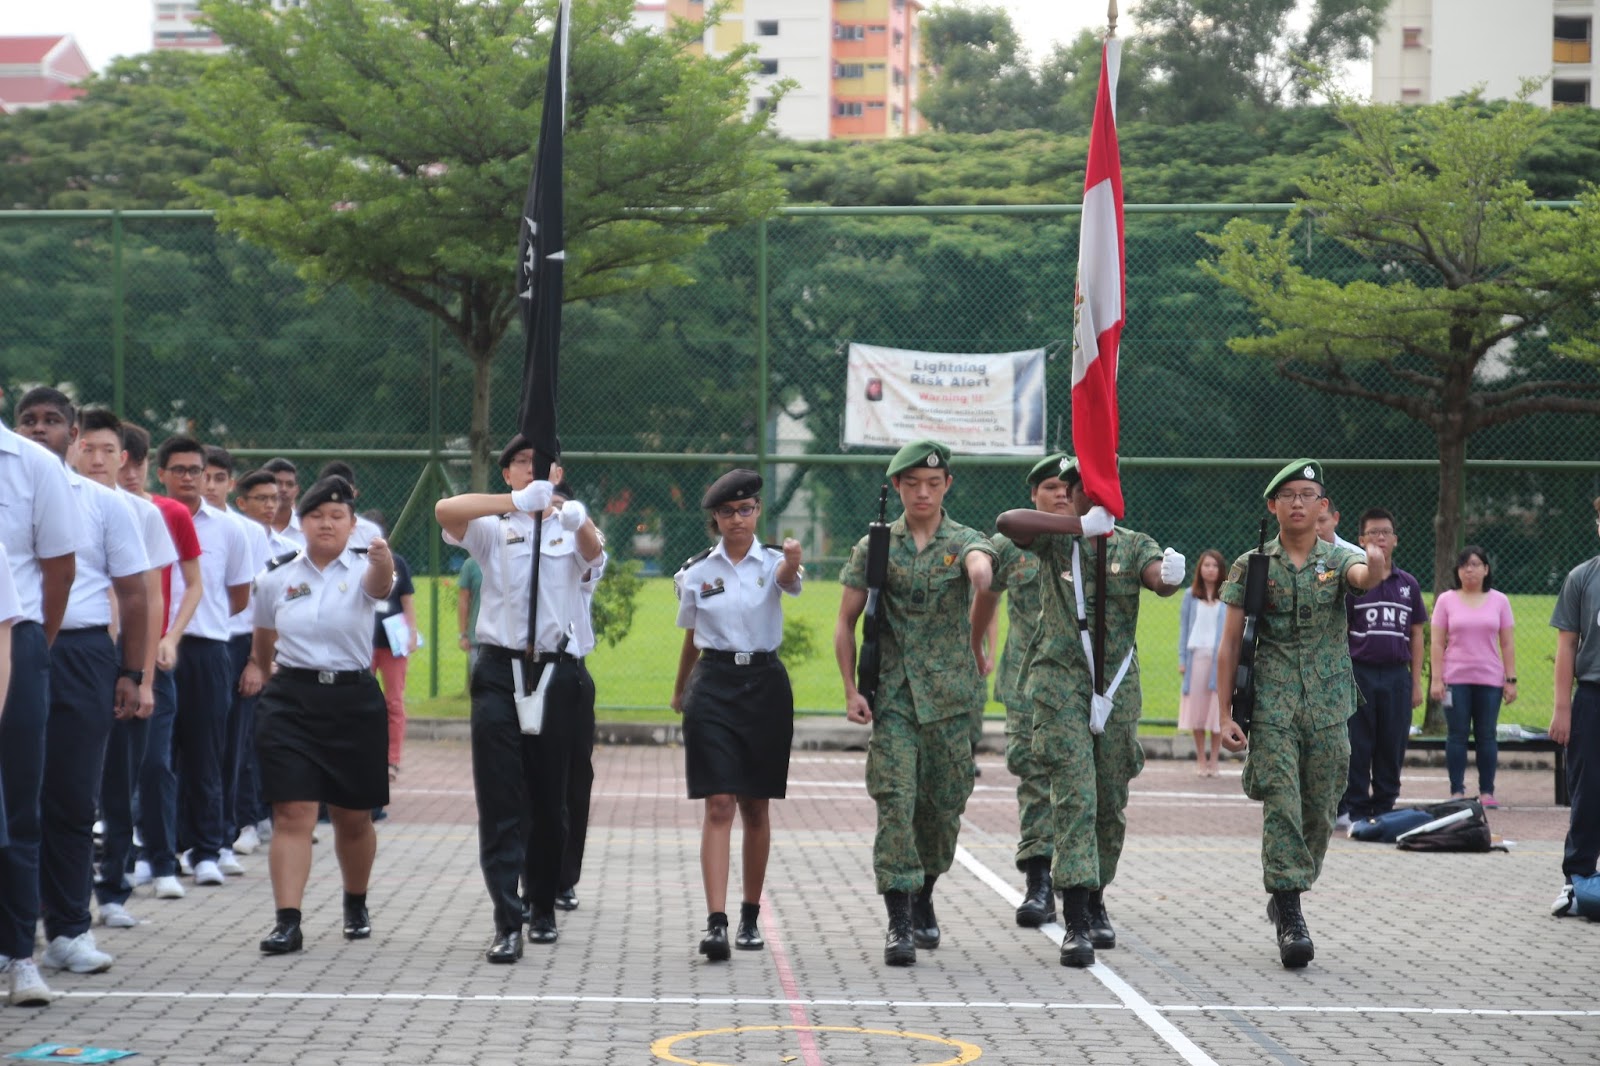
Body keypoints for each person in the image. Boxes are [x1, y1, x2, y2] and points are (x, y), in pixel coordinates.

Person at [989, 455, 1185, 967]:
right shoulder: (1059, 539)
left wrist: (1170, 576)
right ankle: (1075, 919)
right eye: (1080, 489)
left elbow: (1156, 580)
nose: (1089, 495)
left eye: (1098, 487)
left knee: (1108, 799)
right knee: (1074, 794)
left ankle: (1096, 895)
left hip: (1117, 686)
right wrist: (1077, 524)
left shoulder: (1131, 542)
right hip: (1060, 682)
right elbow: (1008, 524)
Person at [435, 436, 605, 963]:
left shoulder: (570, 524)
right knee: (500, 797)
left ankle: (544, 904)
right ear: (507, 471)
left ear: (556, 471)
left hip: (555, 672)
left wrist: (574, 518)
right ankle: (507, 919)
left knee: (550, 798)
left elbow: (596, 558)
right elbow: (447, 509)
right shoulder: (495, 526)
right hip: (498, 670)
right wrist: (515, 503)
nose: (531, 470)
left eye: (541, 462)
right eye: (520, 462)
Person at [1215, 459, 1389, 970]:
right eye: (1287, 494)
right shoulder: (1252, 565)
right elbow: (1229, 645)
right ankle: (1290, 910)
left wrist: (1375, 562)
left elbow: (1364, 575)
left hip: (1330, 705)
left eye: (1307, 494)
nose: (1297, 502)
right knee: (1283, 802)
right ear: (1273, 506)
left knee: (1321, 805)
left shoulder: (1339, 561)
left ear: (1323, 508)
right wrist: (1226, 712)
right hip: (1271, 705)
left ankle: (1291, 885)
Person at [834, 439, 996, 967]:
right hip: (897, 698)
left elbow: (981, 565)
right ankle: (900, 919)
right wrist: (851, 689)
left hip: (951, 701)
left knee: (942, 810)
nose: (922, 492)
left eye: (932, 483)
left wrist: (979, 575)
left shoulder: (964, 539)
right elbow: (845, 621)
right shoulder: (875, 546)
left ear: (947, 485)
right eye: (911, 484)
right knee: (896, 802)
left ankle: (925, 891)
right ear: (897, 487)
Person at [15, 389, 150, 978]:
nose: (40, 429)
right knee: (12, 798)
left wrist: (133, 672)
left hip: (81, 651)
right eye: (29, 420)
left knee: (70, 794)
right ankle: (13, 933)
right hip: (13, 646)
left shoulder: (102, 504)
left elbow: (136, 595)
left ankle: (69, 927)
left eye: (52, 421)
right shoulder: (9, 487)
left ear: (73, 435)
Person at [250, 476, 396, 954]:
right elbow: (264, 639)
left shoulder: (365, 567)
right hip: (292, 698)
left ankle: (356, 901)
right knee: (292, 811)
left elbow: (380, 586)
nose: (327, 524)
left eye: (337, 517)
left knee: (353, 817)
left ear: (353, 524)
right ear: (301, 522)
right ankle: (287, 920)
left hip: (352, 700)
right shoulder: (278, 574)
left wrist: (382, 560)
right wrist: (271, 677)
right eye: (317, 516)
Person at [670, 470, 803, 961]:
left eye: (746, 509)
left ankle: (750, 912)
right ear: (715, 518)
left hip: (765, 686)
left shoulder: (774, 562)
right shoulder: (697, 573)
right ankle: (716, 922)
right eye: (728, 512)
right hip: (714, 685)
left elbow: (788, 582)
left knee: (755, 805)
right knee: (718, 802)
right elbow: (691, 634)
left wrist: (792, 561)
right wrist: (680, 689)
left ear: (757, 512)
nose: (737, 519)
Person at [75, 408, 173, 929]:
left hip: (124, 657)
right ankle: (58, 897)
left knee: (120, 780)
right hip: (74, 650)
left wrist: (145, 676)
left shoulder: (140, 513)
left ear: (125, 458)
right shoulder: (61, 501)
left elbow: (151, 599)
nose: (96, 459)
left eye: (108, 450)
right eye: (87, 447)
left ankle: (113, 889)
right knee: (68, 783)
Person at [0, 383, 77, 1008]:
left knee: (19, 802)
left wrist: (35, 644)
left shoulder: (34, 465)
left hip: (14, 637)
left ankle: (19, 954)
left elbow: (59, 567)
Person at [155, 435, 255, 889]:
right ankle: (161, 849)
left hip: (209, 647)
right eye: (180, 470)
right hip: (154, 648)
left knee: (206, 751)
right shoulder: (148, 517)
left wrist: (201, 621)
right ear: (163, 474)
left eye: (196, 471)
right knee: (158, 757)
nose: (190, 478)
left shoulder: (229, 528)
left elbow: (238, 594)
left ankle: (208, 849)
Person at [118, 423, 204, 903]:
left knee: (155, 763)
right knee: (110, 770)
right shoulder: (87, 507)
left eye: (136, 461)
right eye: (119, 460)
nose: (128, 471)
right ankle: (118, 863)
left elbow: (193, 584)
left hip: (154, 655)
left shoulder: (167, 513)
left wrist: (171, 636)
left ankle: (162, 857)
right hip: (99, 651)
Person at [987, 453, 1073, 928]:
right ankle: (1039, 881)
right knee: (1035, 780)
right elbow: (987, 594)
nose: (1061, 493)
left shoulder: (1094, 537)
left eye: (1067, 487)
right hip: (1027, 684)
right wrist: (979, 645)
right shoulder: (1010, 544)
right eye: (1051, 487)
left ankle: (1083, 882)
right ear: (1034, 496)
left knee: (1083, 784)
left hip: (1082, 684)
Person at [203, 445, 272, 878]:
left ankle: (225, 832)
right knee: (189, 747)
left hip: (235, 643)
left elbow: (261, 603)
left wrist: (255, 662)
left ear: (231, 484)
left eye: (217, 478)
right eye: (201, 476)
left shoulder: (246, 531)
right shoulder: (169, 519)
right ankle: (181, 841)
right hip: (190, 643)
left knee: (230, 745)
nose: (208, 485)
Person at [1339, 508, 1425, 829]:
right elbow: (1342, 630)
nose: (1380, 538)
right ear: (1361, 540)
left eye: (1385, 532)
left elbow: (1416, 634)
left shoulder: (1409, 585)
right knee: (1358, 744)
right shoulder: (1354, 582)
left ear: (1395, 540)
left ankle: (1385, 807)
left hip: (1395, 675)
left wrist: (1415, 682)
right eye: (1373, 533)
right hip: (1359, 673)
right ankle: (1357, 810)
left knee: (1392, 743)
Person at [230, 468, 298, 855]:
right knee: (240, 739)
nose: (271, 505)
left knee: (271, 739)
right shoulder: (238, 538)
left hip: (284, 654)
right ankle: (245, 819)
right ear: (242, 503)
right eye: (262, 499)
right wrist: (256, 660)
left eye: (275, 499)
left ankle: (266, 813)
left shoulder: (289, 549)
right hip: (248, 648)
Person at [1429, 545, 1516, 806]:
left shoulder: (1500, 601)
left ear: (1486, 569)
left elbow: (1508, 643)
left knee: (1486, 735)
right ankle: (1457, 790)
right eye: (1465, 565)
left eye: (1476, 564)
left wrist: (1510, 680)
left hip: (1490, 679)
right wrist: (1436, 678)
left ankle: (1487, 792)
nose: (1470, 569)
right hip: (1455, 679)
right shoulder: (1446, 600)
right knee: (1456, 735)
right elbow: (1436, 642)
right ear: (1458, 571)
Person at [1548, 497, 1600, 920]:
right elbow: (1566, 647)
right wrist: (1562, 708)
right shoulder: (1583, 578)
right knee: (1588, 792)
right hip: (1593, 698)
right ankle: (1577, 880)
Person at [366, 513, 418, 788]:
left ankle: (392, 760)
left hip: (392, 644)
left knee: (394, 702)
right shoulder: (355, 562)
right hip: (363, 643)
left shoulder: (397, 563)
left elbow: (407, 600)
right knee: (361, 700)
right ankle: (363, 755)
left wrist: (411, 633)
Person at [1179, 549, 1227, 778]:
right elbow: (1183, 630)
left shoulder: (1227, 597)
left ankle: (1214, 760)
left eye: (1214, 566)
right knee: (1198, 710)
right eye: (1206, 565)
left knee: (1216, 711)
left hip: (1219, 661)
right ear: (1200, 568)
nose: (1210, 569)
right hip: (1196, 657)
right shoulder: (1190, 595)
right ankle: (1200, 759)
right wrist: (1182, 661)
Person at [316, 461, 383, 548]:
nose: (339, 498)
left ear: (355, 493)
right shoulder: (307, 530)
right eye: (332, 492)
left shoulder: (370, 533)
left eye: (345, 492)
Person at [261, 458, 305, 547]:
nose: (284, 489)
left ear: (296, 490)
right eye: (277, 483)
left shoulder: (307, 528)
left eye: (289, 484)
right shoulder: (249, 527)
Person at [458, 556, 483, 680]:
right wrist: (463, 635)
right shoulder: (471, 565)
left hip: (506, 642)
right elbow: (463, 601)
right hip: (477, 640)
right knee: (479, 686)